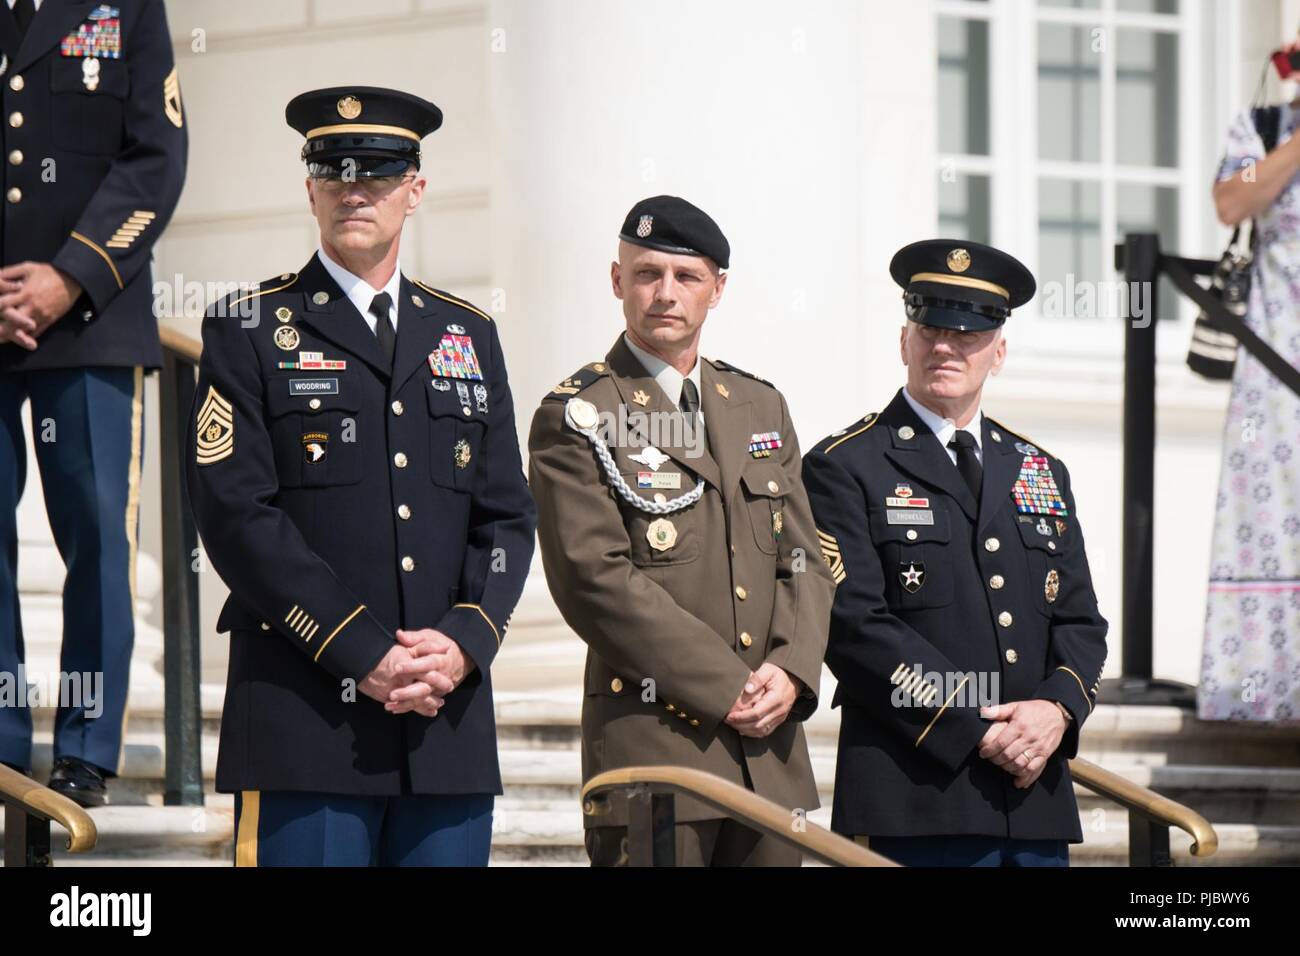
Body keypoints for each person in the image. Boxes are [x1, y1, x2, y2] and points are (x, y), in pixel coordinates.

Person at [185, 86, 536, 866]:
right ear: (309, 187)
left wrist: (467, 640)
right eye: (333, 169)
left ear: (414, 190)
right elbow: (238, 516)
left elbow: (506, 515)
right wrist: (362, 651)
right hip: (306, 724)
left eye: (377, 172)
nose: (354, 189)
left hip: (445, 724)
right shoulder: (246, 328)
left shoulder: (467, 333)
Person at [528, 196, 833, 866]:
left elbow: (805, 560)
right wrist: (731, 687)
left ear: (717, 289)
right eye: (647, 275)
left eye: (686, 277)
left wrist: (791, 669)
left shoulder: (760, 404)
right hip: (657, 757)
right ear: (617, 282)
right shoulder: (580, 412)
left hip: (770, 758)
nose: (665, 293)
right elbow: (594, 579)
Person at [802, 239, 1109, 867]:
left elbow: (1081, 621)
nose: (947, 346)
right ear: (904, 341)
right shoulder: (845, 465)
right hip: (917, 797)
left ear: (998, 352)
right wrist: (978, 725)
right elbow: (855, 624)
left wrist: (1057, 709)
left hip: (1033, 798)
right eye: (931, 327)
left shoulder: (1040, 469)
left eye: (968, 334)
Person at [0, 0, 187, 804]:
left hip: (91, 317)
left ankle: (86, 751)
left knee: (100, 539)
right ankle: (3, 744)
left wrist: (70, 273)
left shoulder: (131, 5)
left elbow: (158, 155)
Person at [1199, 61, 1300, 723]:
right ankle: (1264, 689)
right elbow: (1231, 203)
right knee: (1270, 519)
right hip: (1277, 356)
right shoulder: (1265, 126)